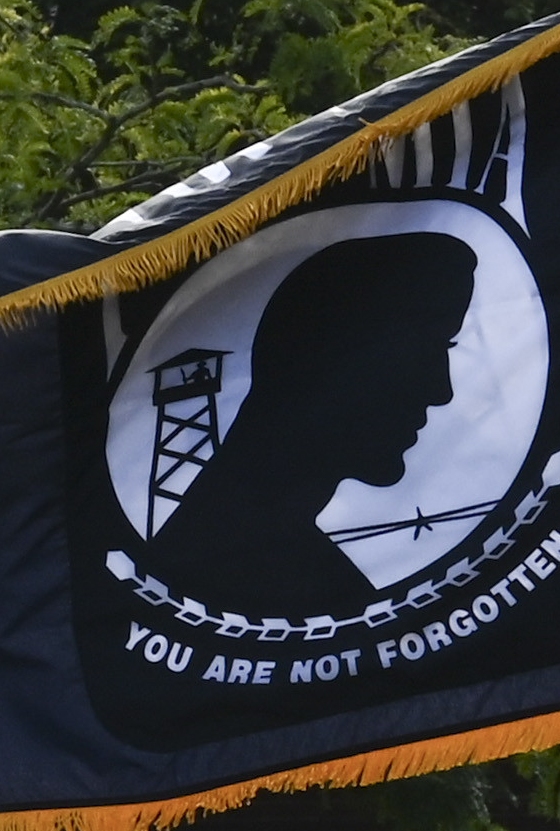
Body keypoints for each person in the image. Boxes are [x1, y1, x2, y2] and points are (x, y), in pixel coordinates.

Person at [137, 230, 478, 618]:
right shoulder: (246, 580)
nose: (441, 391)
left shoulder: (194, 574)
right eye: (423, 352)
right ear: (327, 363)